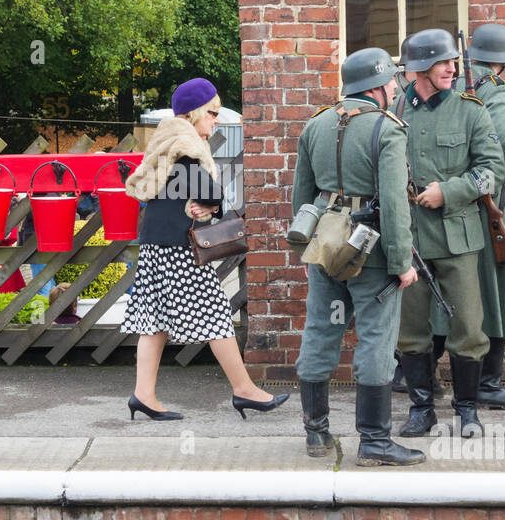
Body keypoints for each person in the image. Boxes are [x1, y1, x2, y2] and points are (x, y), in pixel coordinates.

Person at [120, 77, 288, 421]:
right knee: (215, 315)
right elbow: (209, 192)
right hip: (178, 247)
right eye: (212, 113)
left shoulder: (163, 139)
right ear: (196, 112)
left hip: (155, 242)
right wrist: (213, 206)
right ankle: (244, 390)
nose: (216, 120)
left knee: (155, 320)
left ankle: (143, 395)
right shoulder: (186, 144)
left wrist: (208, 205)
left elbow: (178, 192)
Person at [293, 47, 423, 467]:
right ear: (378, 85)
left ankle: (316, 434)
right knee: (376, 339)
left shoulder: (315, 125)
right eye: (391, 81)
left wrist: (312, 245)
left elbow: (302, 198)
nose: (395, 87)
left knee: (322, 330)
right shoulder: (387, 129)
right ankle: (374, 441)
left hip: (325, 247)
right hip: (373, 255)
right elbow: (394, 203)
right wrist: (402, 261)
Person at [390, 28, 504, 439]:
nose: (452, 68)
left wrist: (449, 191)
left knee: (469, 328)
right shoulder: (394, 110)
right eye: (443, 61)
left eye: (453, 61)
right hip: (409, 238)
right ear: (419, 67)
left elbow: (492, 170)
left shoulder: (471, 110)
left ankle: (467, 411)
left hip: (458, 235)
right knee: (411, 329)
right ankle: (422, 409)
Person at [423, 23, 505, 410]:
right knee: (497, 291)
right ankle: (486, 382)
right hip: (493, 202)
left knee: (455, 294)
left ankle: (417, 376)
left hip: (466, 205)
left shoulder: (455, 91)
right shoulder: (497, 89)